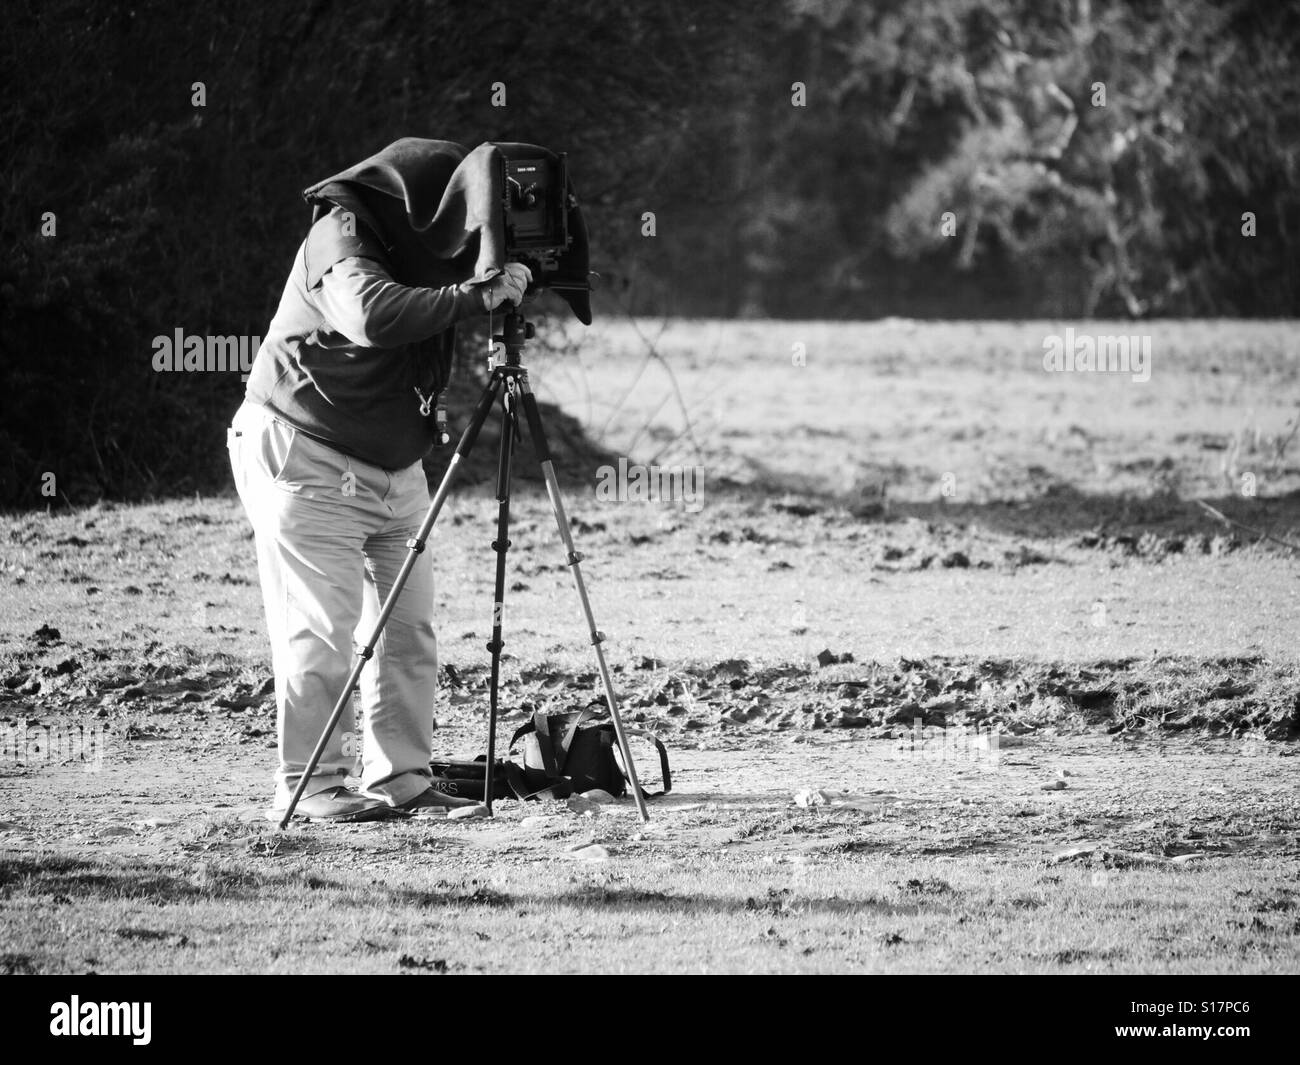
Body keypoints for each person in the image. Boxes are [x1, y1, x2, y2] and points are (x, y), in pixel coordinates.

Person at [228, 145, 532, 823]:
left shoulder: (420, 254)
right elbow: (371, 313)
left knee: (407, 631)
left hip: (397, 466)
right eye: (458, 231)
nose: (463, 248)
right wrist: (474, 296)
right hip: (305, 455)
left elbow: (432, 305)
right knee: (322, 634)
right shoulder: (342, 236)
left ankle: (401, 777)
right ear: (420, 212)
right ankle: (313, 787)